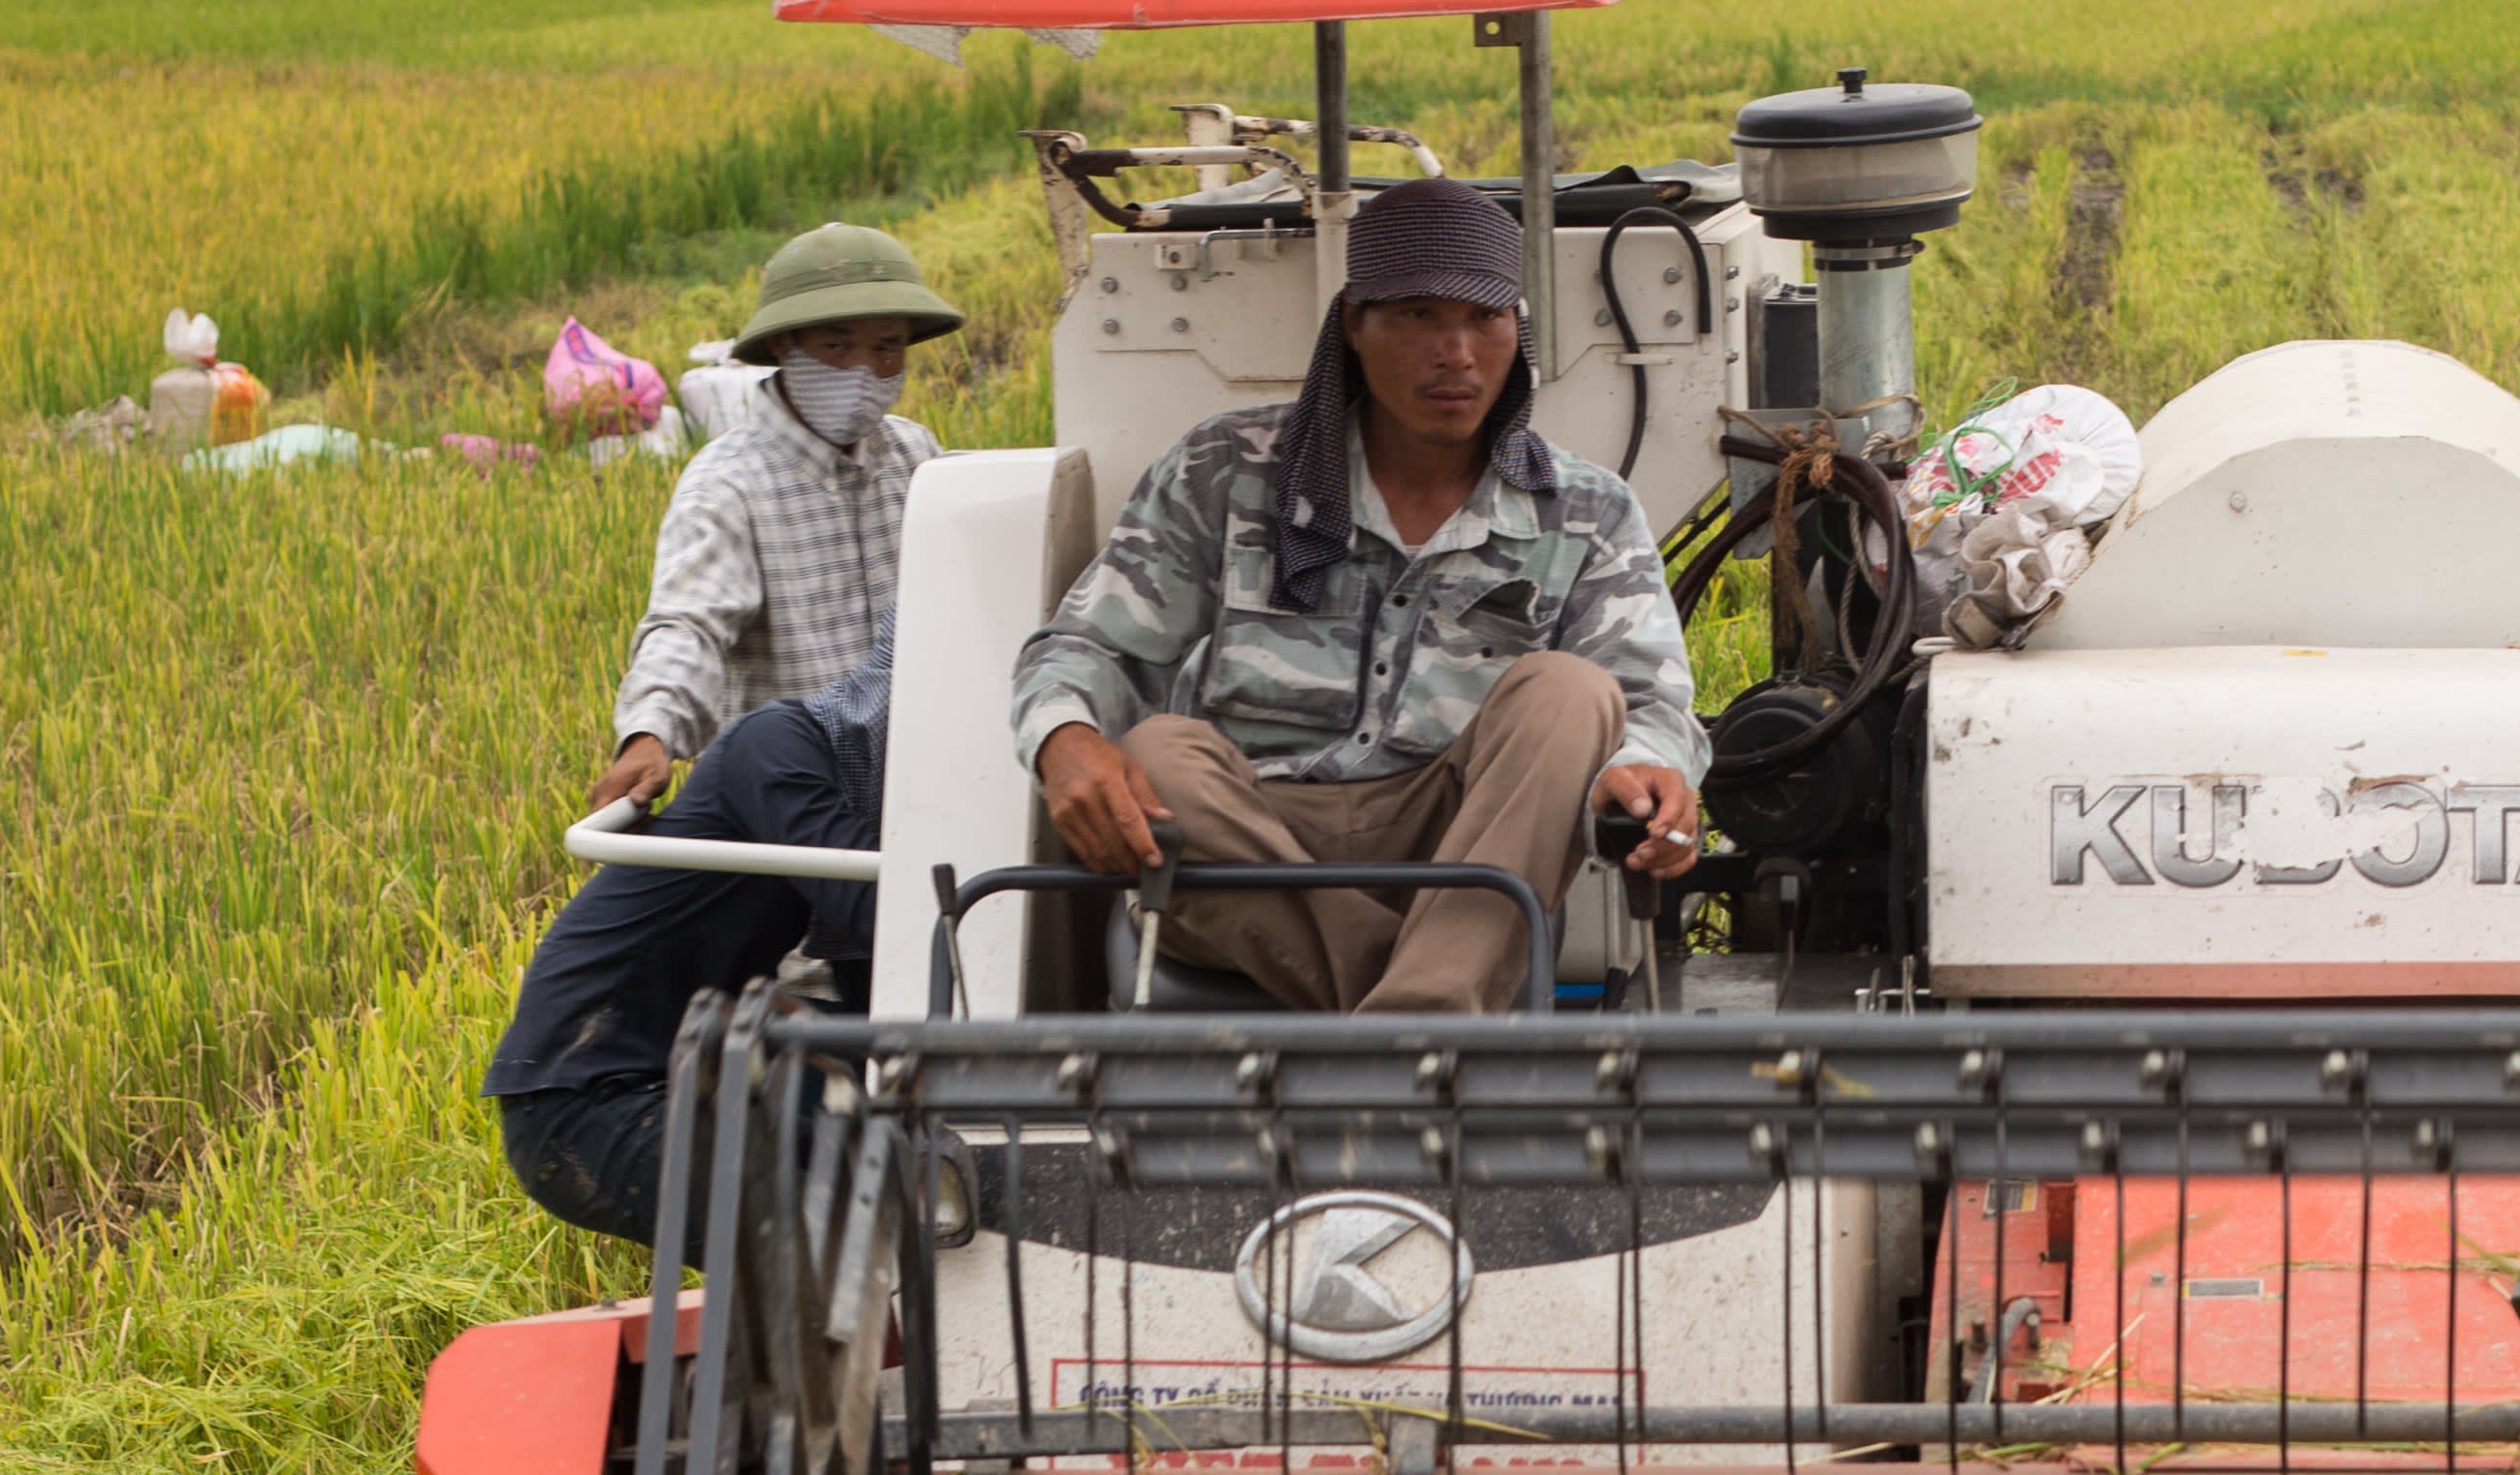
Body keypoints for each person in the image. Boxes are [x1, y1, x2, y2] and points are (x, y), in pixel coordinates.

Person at [1011, 177, 1706, 1015]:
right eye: (1418, 316)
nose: (1456, 353)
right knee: (1157, 752)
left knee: (1573, 692)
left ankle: (1402, 1025)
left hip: (1464, 849)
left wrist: (1649, 771)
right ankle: (1426, 1020)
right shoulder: (1224, 471)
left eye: (1484, 319)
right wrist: (1066, 740)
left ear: (1514, 333)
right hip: (1249, 841)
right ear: (1352, 326)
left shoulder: (1585, 508)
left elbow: (1648, 697)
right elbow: (1091, 647)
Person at [494, 644, 888, 1246]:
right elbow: (885, 914)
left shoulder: (822, 781)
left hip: (678, 1070)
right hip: (587, 1098)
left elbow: (882, 995)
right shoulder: (772, 750)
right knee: (860, 1235)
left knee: (886, 1116)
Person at [596, 223, 961, 817]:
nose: (867, 371)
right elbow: (691, 624)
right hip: (793, 802)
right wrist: (650, 732)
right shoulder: (730, 483)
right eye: (837, 348)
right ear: (783, 348)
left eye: (888, 347)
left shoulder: (916, 455)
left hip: (918, 782)